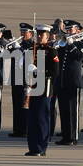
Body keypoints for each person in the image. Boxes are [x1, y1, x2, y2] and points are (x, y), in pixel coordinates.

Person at [24, 23, 59, 157]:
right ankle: (33, 147)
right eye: (38, 34)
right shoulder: (32, 49)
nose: (39, 36)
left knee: (42, 119)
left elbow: (54, 72)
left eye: (42, 35)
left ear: (47, 36)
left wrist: (38, 71)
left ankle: (41, 147)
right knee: (32, 119)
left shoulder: (51, 51)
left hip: (44, 88)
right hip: (32, 88)